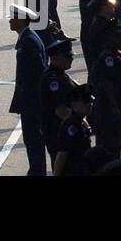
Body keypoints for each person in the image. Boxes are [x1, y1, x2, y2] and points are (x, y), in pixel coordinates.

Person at [8, 3, 48, 176]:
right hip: (30, 100)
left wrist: (31, 100)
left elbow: (36, 73)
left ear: (20, 20)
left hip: (32, 101)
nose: (10, 21)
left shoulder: (29, 41)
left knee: (33, 139)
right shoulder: (28, 38)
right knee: (32, 139)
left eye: (13, 18)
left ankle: (37, 171)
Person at [90, 19, 121, 157]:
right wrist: (115, 106)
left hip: (116, 103)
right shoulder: (108, 58)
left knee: (116, 146)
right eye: (118, 36)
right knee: (107, 147)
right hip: (107, 106)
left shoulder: (117, 54)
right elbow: (107, 84)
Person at [39, 37, 76, 168]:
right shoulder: (54, 80)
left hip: (62, 129)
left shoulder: (61, 75)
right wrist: (81, 123)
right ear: (56, 58)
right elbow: (61, 110)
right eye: (67, 57)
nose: (71, 59)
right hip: (57, 131)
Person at [53, 84, 95, 177]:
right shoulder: (71, 125)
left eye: (90, 101)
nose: (89, 104)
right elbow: (62, 154)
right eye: (85, 102)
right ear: (74, 104)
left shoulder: (81, 121)